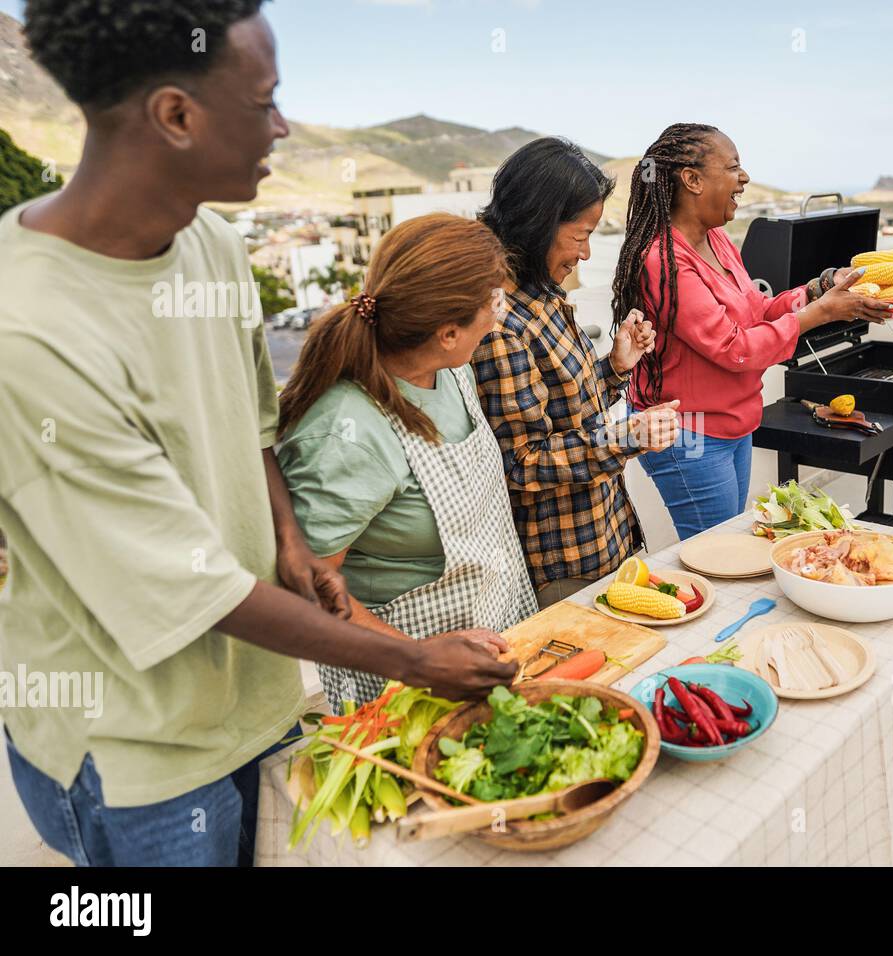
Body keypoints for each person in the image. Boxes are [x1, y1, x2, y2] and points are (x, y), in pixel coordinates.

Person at [0, 0, 514, 868]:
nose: (282, 127)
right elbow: (191, 593)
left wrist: (287, 537)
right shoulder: (31, 332)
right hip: (140, 753)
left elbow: (254, 426)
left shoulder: (210, 243)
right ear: (176, 115)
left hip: (256, 695)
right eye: (266, 100)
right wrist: (416, 661)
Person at [277, 214, 535, 713]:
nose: (499, 315)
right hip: (402, 678)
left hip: (494, 620)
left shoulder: (451, 372)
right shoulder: (349, 433)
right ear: (447, 332)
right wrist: (417, 658)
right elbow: (310, 590)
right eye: (492, 302)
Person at [610, 123, 892, 541]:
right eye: (734, 167)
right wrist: (819, 314)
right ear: (692, 179)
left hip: (735, 423)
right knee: (717, 552)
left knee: (730, 544)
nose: (744, 178)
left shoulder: (718, 240)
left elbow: (757, 311)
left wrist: (820, 288)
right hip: (690, 434)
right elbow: (734, 347)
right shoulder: (662, 261)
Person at [474, 138, 676, 607]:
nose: (585, 254)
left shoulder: (544, 295)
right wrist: (630, 437)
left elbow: (567, 410)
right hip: (563, 567)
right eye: (581, 235)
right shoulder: (500, 325)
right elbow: (522, 462)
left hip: (608, 536)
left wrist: (616, 367)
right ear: (538, 225)